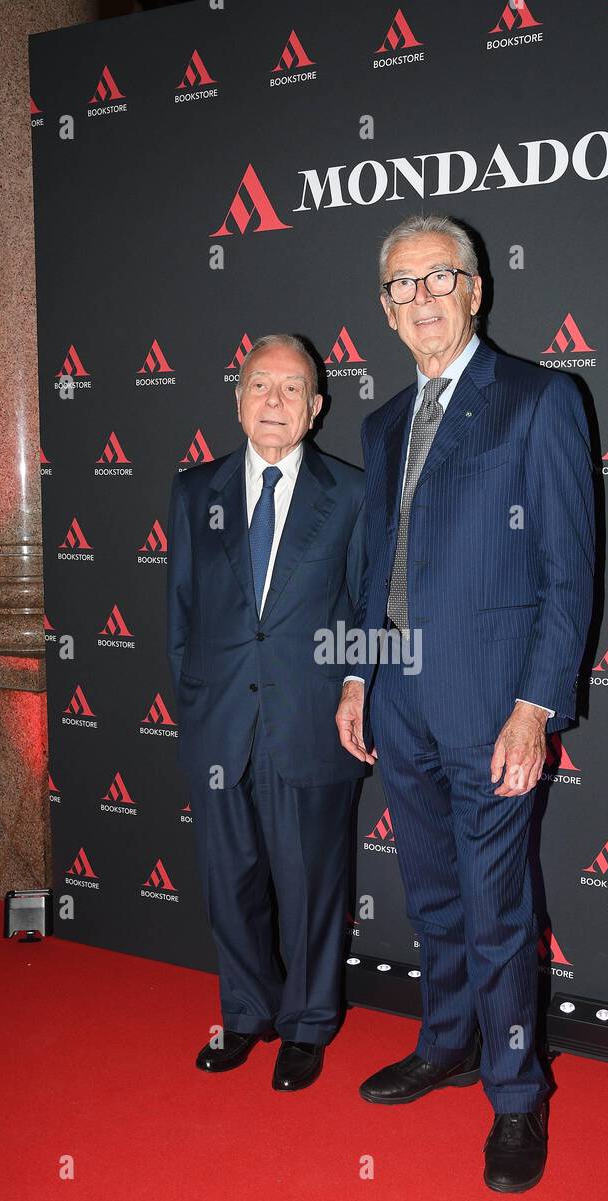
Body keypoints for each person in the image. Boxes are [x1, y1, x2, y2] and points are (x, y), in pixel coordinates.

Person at [336, 216, 595, 1190]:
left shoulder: (538, 400)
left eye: (436, 278)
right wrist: (360, 675)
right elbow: (375, 573)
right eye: (399, 286)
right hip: (399, 703)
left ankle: (516, 1095)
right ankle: (444, 1042)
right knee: (433, 895)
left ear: (475, 289)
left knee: (496, 909)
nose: (419, 298)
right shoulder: (379, 422)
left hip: (493, 707)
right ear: (384, 309)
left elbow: (568, 571)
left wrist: (534, 706)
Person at [168, 334, 366, 1092]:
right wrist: (194, 710)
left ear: (317, 408)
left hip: (312, 727)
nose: (274, 401)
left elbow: (363, 606)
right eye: (260, 385)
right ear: (237, 397)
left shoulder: (350, 494)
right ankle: (245, 1014)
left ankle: (308, 1026)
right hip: (218, 726)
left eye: (292, 389)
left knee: (314, 888)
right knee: (230, 883)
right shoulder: (195, 492)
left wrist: (355, 688)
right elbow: (181, 615)